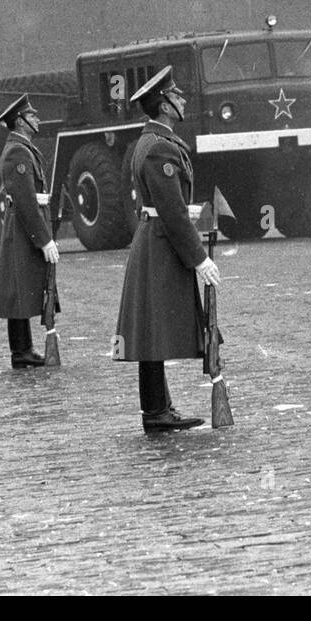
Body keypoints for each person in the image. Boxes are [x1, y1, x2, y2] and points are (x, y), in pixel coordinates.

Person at [114, 66, 221, 432]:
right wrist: (199, 259)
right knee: (154, 329)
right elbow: (173, 214)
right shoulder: (160, 147)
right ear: (163, 104)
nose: (183, 99)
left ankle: (158, 408)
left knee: (151, 329)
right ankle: (156, 412)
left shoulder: (153, 141)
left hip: (154, 238)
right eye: (176, 95)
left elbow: (166, 203)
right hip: (161, 244)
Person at [0, 95, 58, 370]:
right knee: (18, 289)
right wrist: (43, 239)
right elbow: (24, 198)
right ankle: (21, 351)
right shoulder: (18, 151)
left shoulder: (22, 148)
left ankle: (24, 349)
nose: (38, 119)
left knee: (20, 288)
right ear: (20, 121)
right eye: (32, 116)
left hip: (23, 224)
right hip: (23, 226)